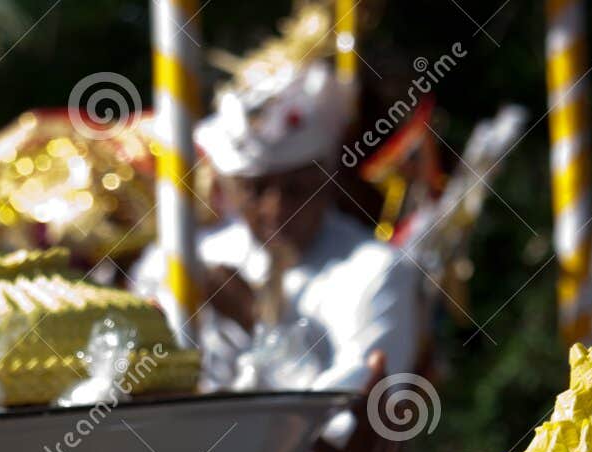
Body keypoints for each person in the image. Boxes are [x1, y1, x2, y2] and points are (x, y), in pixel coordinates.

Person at [132, 58, 422, 397]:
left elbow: (348, 420)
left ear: (328, 182)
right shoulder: (180, 258)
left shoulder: (375, 272)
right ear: (229, 189)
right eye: (255, 190)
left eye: (297, 189)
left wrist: (259, 325)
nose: (277, 209)